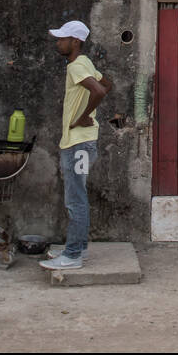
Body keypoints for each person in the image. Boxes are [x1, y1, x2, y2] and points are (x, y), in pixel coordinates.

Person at [41, 20, 113, 271]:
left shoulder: (77, 66)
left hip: (78, 144)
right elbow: (107, 83)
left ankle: (72, 256)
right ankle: (78, 247)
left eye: (63, 39)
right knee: (78, 197)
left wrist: (84, 116)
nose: (58, 42)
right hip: (82, 142)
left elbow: (100, 91)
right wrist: (87, 113)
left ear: (76, 42)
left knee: (76, 200)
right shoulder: (84, 64)